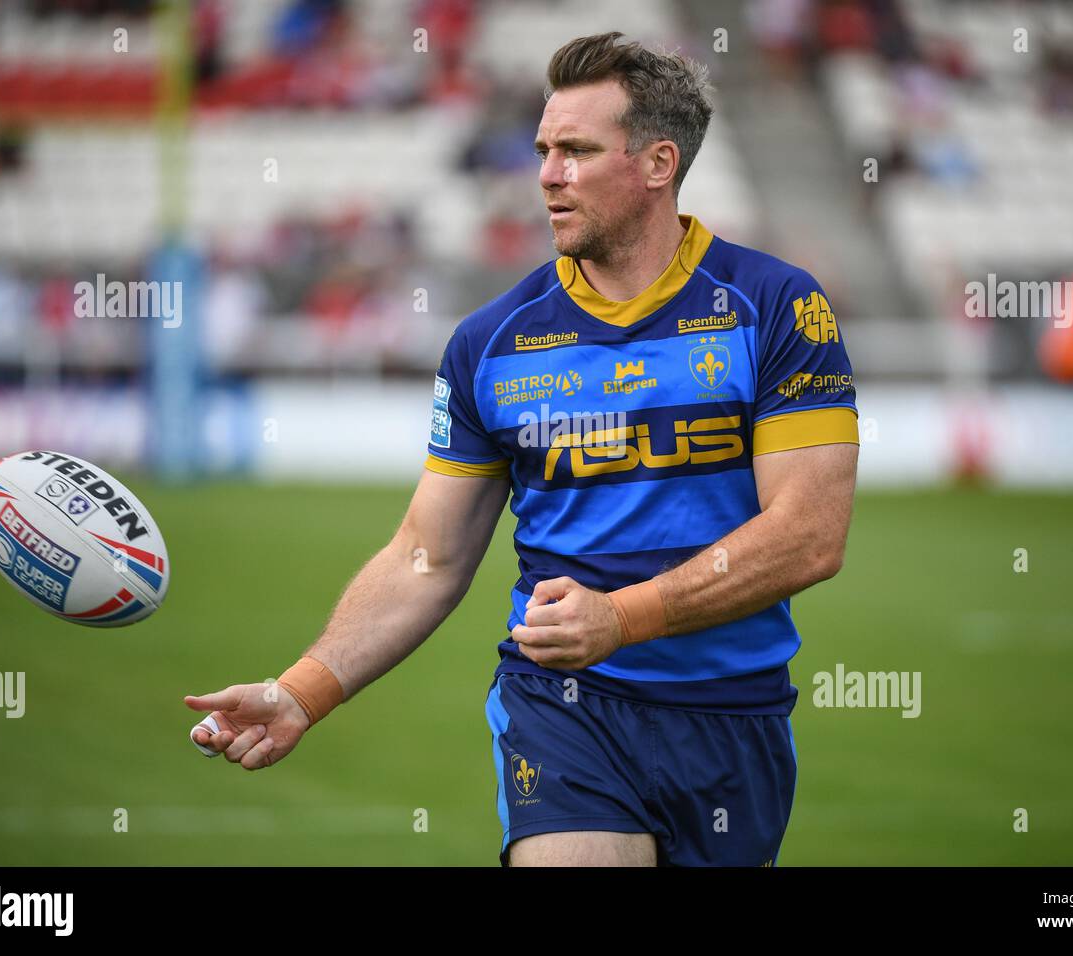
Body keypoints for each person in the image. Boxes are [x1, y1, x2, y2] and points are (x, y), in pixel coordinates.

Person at [186, 31, 859, 867]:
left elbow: (810, 534)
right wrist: (301, 691)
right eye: (544, 149)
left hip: (733, 715)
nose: (546, 173)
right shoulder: (492, 343)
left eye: (576, 150)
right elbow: (429, 557)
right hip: (563, 703)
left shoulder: (777, 306)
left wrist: (620, 617)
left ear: (658, 163)